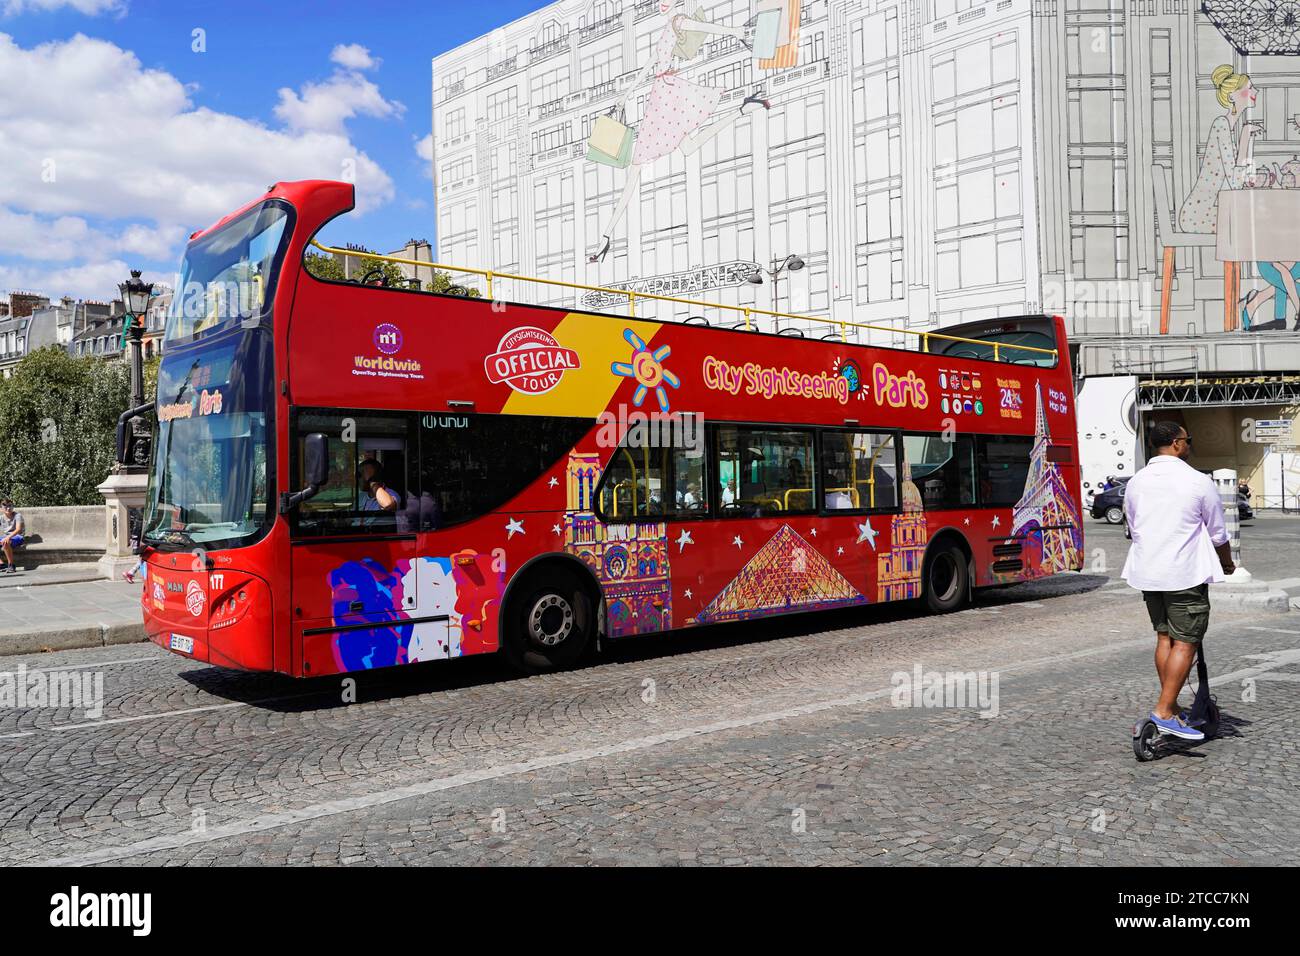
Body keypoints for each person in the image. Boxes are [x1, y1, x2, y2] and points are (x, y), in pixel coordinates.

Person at [1122, 422, 1234, 742]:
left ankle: (1169, 706)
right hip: (1183, 573)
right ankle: (1164, 711)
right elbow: (1217, 532)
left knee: (1164, 638)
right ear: (1175, 444)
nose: (1189, 445)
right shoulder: (1197, 481)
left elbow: (1133, 525)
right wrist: (1226, 563)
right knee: (1186, 640)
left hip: (1148, 572)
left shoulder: (1136, 481)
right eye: (1188, 440)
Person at [0, 499, 24, 574]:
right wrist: (6, 537)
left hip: (17, 537)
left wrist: (8, 537)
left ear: (13, 507)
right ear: (1, 508)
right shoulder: (1, 518)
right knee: (5, 540)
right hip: (6, 537)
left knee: (6, 542)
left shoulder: (17, 516)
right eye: (5, 506)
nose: (8, 508)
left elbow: (18, 529)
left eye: (10, 506)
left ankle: (11, 565)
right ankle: (2, 564)